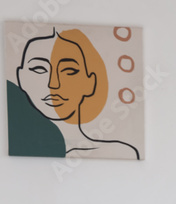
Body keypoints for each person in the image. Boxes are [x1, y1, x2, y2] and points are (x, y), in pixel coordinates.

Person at [15, 28, 139, 159]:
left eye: (69, 71)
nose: (53, 84)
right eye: (39, 69)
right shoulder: (21, 150)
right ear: (21, 78)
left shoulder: (122, 152)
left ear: (90, 83)